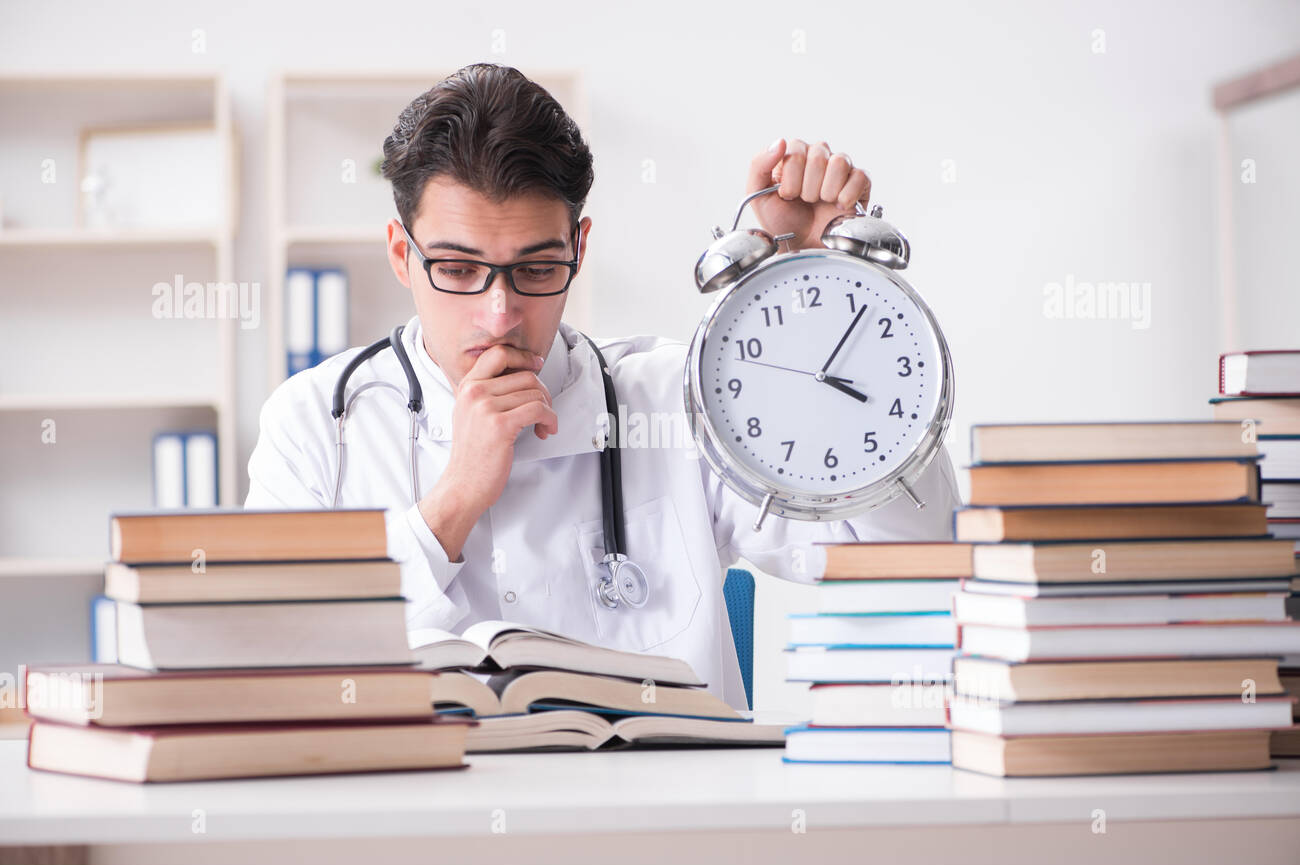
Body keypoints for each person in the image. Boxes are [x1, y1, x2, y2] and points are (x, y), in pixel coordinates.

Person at [245, 62, 960, 708]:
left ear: (579, 248)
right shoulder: (313, 425)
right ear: (402, 255)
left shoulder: (683, 397)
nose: (500, 315)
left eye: (536, 268)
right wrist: (449, 508)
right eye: (459, 271)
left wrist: (829, 293)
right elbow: (268, 669)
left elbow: (905, 562)